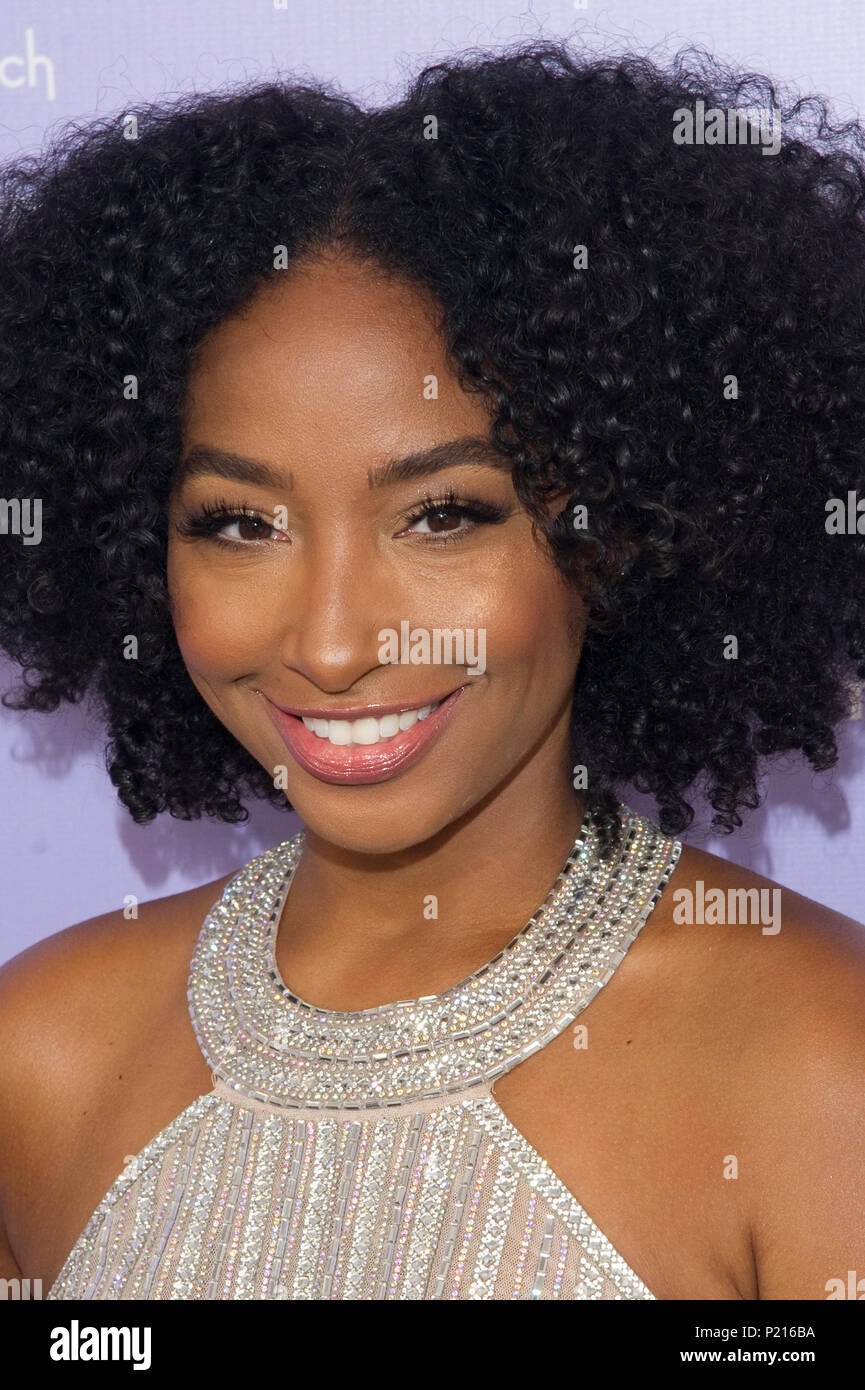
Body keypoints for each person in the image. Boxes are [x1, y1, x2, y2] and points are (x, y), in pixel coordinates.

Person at [1, 39, 864, 1301]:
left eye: (444, 514)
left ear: (621, 523)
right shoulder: (41, 1053)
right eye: (238, 523)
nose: (336, 643)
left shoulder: (818, 1067)